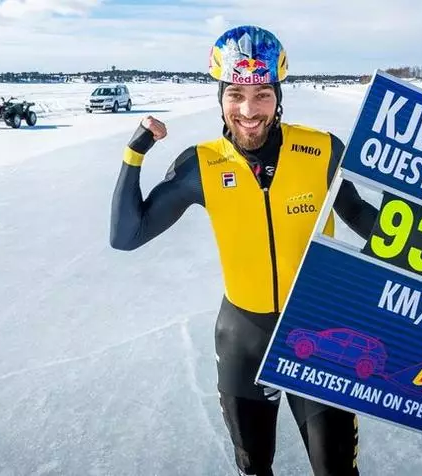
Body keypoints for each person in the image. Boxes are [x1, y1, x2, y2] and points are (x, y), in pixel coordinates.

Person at [109, 25, 378, 476]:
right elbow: (127, 235)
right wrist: (135, 152)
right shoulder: (201, 165)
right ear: (221, 98)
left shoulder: (322, 151)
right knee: (253, 469)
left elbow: (363, 216)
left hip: (322, 336)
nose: (248, 110)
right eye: (235, 94)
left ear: (278, 97)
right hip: (242, 339)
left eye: (261, 95)